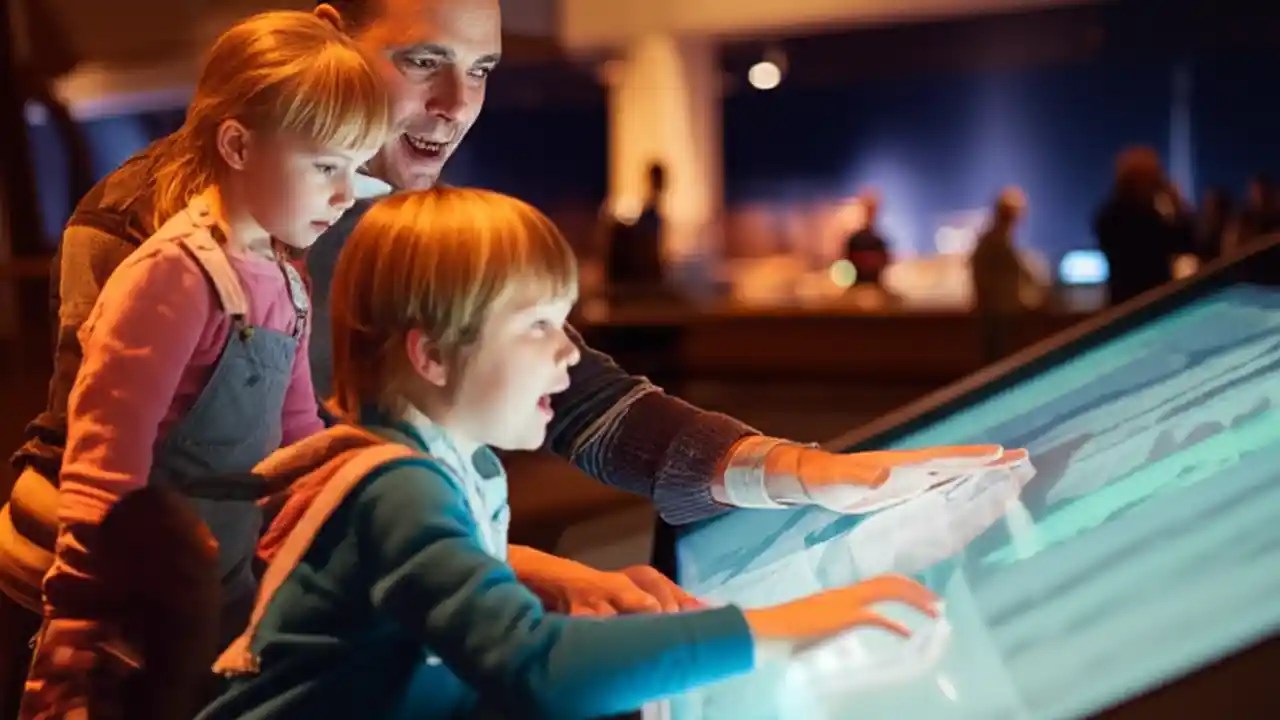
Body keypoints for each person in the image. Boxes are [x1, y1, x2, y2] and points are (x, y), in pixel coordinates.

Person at [3, 0, 1022, 668]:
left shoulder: (406, 220)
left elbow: (587, 399)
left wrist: (814, 472)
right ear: (327, 35)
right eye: (421, 62)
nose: (454, 108)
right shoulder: (151, 220)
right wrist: (533, 579)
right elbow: (118, 485)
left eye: (481, 70)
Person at [198, 187, 943, 720]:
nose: (566, 355)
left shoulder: (456, 471)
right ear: (430, 355)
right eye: (537, 327)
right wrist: (781, 627)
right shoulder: (396, 490)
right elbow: (535, 669)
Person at [18, 11, 390, 718]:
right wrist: (76, 614)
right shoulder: (173, 277)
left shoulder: (285, 283)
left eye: (356, 170)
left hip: (225, 604)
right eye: (325, 166)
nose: (346, 196)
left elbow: (297, 447)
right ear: (238, 144)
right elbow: (105, 457)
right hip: (135, 619)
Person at [1094, 146, 1194, 305]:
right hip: (1145, 304)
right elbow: (1183, 241)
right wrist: (1177, 205)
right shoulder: (1138, 218)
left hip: (1127, 304)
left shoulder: (1110, 215)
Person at [969, 188, 1039, 363]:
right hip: (997, 319)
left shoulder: (1001, 242)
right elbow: (983, 281)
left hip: (1004, 319)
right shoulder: (991, 243)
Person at [844, 190, 892, 286]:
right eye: (868, 209)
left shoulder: (880, 241)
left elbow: (885, 263)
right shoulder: (855, 240)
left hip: (876, 287)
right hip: (857, 289)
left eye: (872, 209)